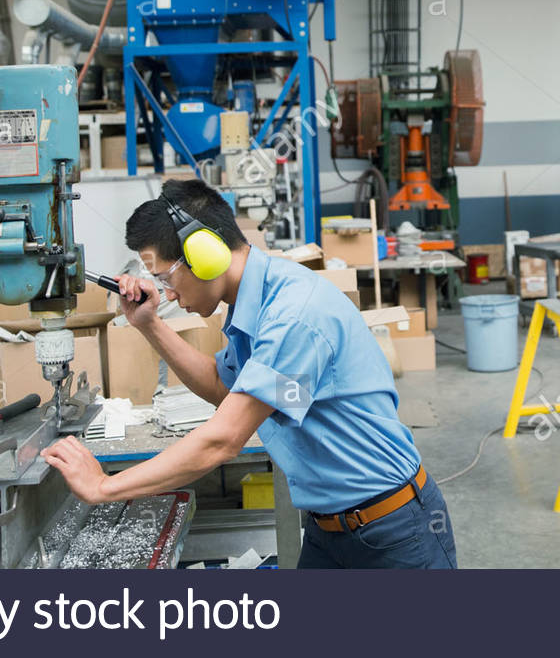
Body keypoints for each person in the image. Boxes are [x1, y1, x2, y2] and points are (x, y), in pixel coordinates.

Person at [41, 178, 457, 569]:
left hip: (393, 532)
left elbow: (221, 440)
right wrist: (149, 323)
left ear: (206, 254)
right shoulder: (253, 307)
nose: (166, 292)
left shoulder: (293, 315)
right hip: (330, 529)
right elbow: (224, 387)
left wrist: (104, 488)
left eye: (166, 277)